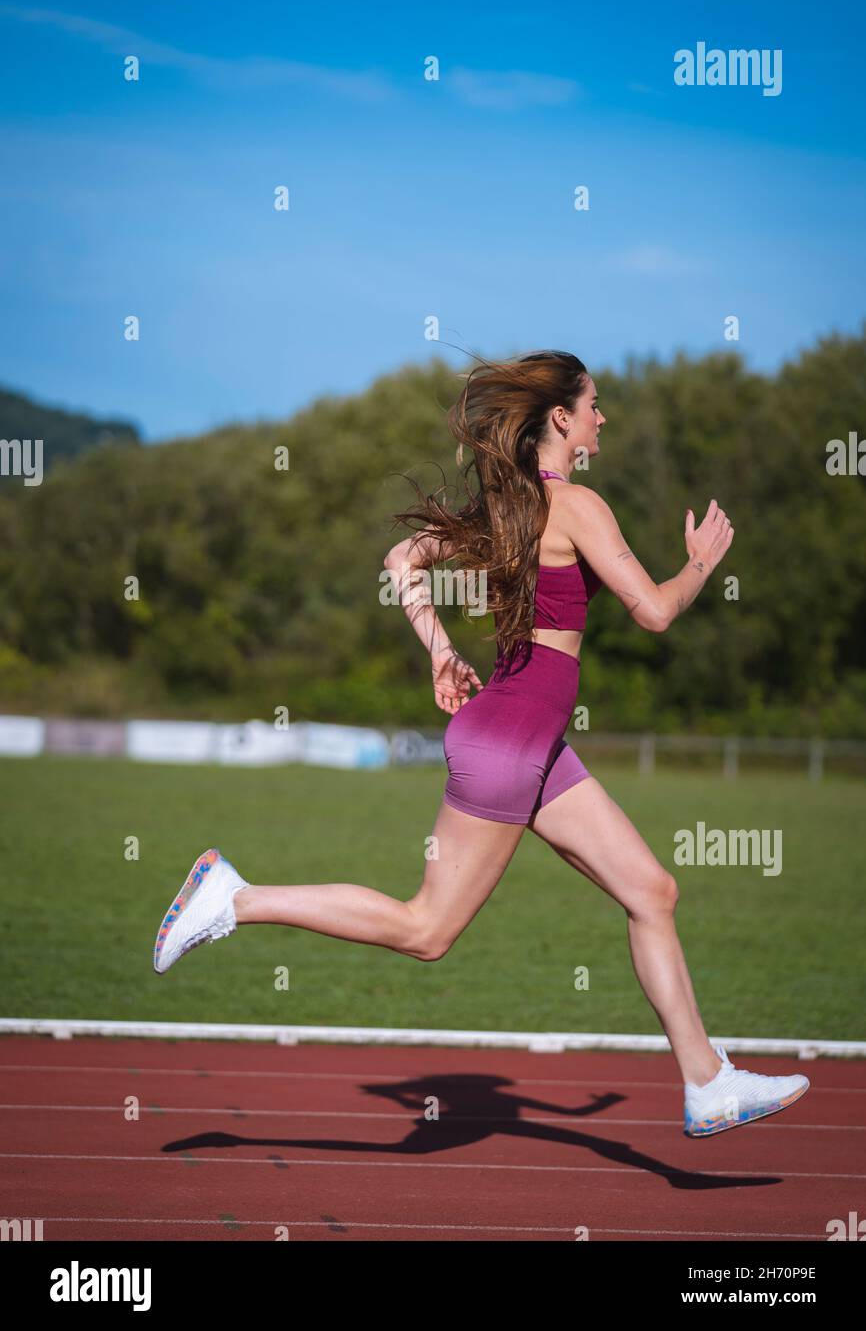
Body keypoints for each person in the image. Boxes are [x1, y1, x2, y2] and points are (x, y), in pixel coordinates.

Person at [152, 349, 809, 1138]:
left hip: (531, 747)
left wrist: (438, 649)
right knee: (427, 929)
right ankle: (234, 897)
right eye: (595, 404)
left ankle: (706, 1082)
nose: (603, 417)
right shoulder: (576, 506)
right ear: (561, 417)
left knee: (652, 891)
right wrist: (699, 564)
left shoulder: (508, 509)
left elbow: (402, 560)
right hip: (509, 745)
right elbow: (656, 612)